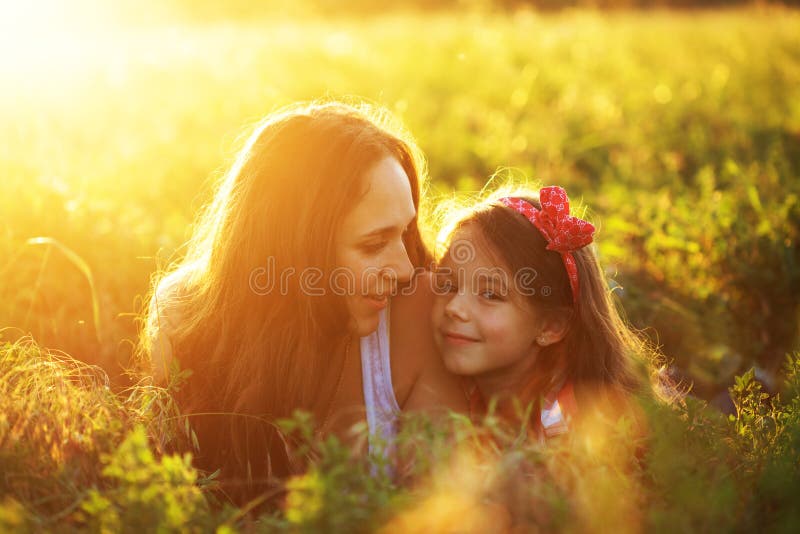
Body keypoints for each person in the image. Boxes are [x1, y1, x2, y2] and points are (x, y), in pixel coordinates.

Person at [140, 101, 467, 501]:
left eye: (405, 232)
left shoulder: (417, 312)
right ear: (293, 249)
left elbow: (449, 511)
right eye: (373, 244)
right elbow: (171, 498)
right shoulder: (183, 313)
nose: (403, 268)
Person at [430, 184, 665, 440]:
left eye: (490, 295)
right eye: (447, 285)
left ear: (551, 326)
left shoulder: (567, 429)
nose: (454, 308)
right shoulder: (449, 387)